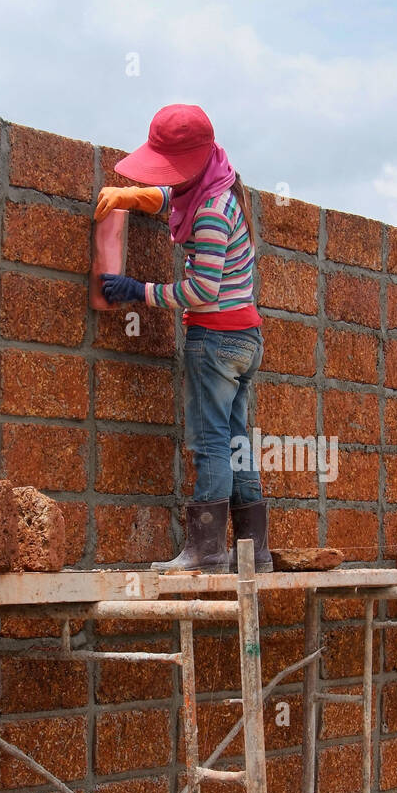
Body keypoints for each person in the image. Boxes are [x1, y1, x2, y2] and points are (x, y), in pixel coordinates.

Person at [94, 104, 271, 574]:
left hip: (214, 341)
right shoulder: (217, 184)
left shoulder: (210, 212)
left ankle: (207, 552)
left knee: (210, 443)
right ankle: (255, 552)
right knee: (236, 442)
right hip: (245, 339)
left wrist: (140, 291)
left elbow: (202, 290)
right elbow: (170, 198)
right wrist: (131, 197)